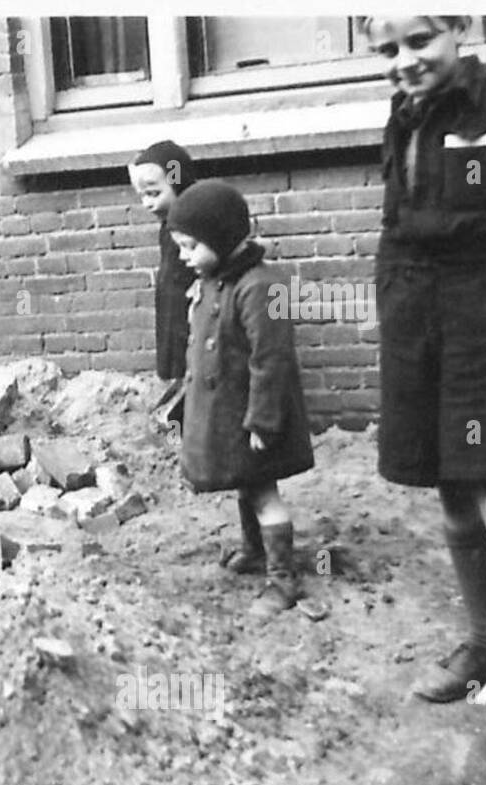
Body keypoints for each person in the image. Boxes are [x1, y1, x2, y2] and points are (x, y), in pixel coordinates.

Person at [358, 16, 486, 702]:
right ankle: (485, 639)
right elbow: (397, 224)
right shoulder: (403, 117)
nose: (405, 62)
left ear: (462, 29)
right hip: (420, 320)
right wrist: (388, 304)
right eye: (388, 50)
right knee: (450, 479)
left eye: (421, 41)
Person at [166, 180, 315, 619]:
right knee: (245, 482)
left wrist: (263, 421)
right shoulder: (216, 280)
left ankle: (284, 580)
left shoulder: (260, 288)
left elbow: (271, 361)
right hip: (229, 412)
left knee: (264, 490)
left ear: (222, 239)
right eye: (180, 246)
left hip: (256, 416)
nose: (184, 256)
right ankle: (254, 549)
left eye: (192, 245)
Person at [128, 139, 200, 383]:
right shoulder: (168, 227)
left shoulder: (194, 225)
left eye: (154, 193)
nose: (148, 203)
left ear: (177, 181)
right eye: (143, 196)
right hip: (172, 308)